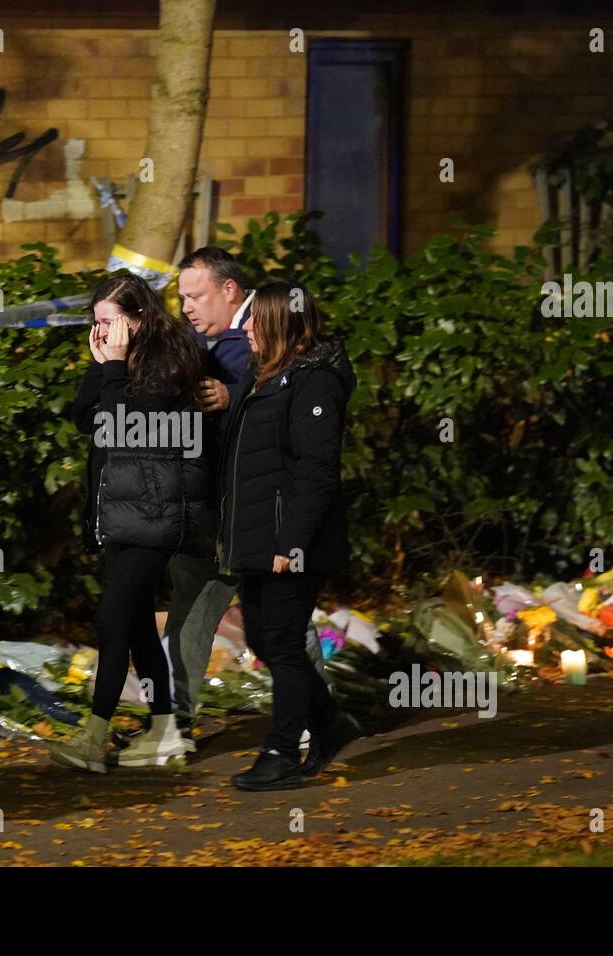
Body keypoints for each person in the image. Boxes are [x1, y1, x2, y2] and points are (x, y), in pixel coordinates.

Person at [50, 273, 207, 772]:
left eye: (109, 322)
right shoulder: (121, 360)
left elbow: (122, 427)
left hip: (155, 511)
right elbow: (85, 418)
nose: (100, 332)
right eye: (95, 323)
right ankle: (164, 731)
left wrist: (114, 367)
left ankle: (94, 740)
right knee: (136, 624)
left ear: (139, 316)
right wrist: (101, 366)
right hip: (120, 511)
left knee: (111, 618)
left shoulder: (169, 359)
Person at [217, 280, 360, 791]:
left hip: (290, 541)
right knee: (263, 637)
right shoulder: (265, 375)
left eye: (255, 319)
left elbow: (317, 469)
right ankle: (330, 722)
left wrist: (291, 542)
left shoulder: (314, 381)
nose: (246, 328)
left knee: (281, 642)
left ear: (281, 322)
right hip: (258, 535)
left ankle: (281, 752)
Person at [161, 247, 253, 748]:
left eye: (195, 296)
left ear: (229, 289)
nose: (187, 307)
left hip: (254, 505)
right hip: (206, 503)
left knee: (272, 613)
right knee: (191, 603)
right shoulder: (195, 339)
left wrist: (234, 398)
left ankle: (314, 712)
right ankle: (173, 722)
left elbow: (300, 402)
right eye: (182, 298)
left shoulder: (272, 326)